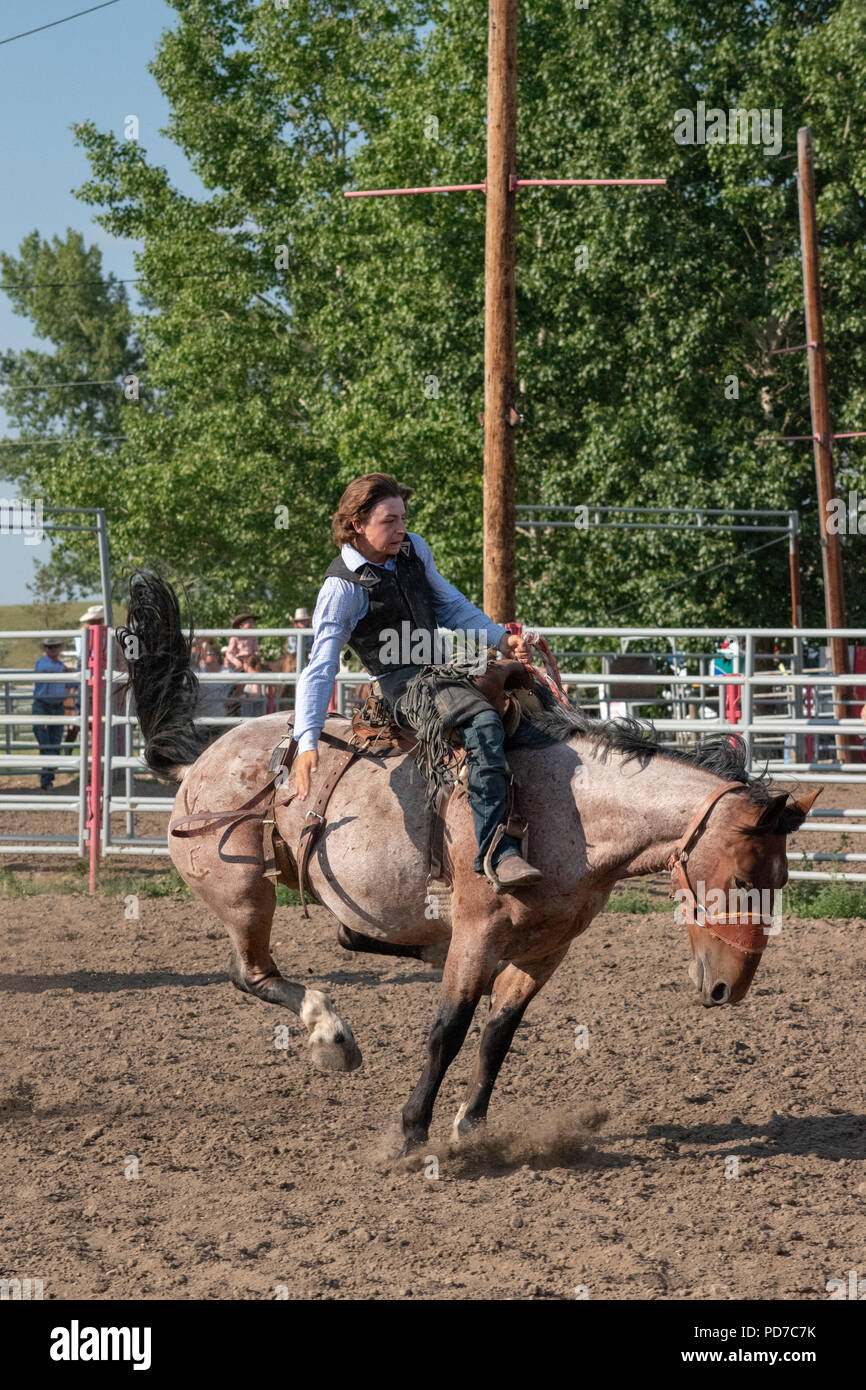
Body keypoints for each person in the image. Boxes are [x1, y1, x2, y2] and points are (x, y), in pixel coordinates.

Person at [293, 472, 543, 890]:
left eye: (403, 518)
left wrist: (501, 638)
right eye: (389, 520)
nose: (401, 529)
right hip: (399, 684)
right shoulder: (342, 587)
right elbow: (320, 666)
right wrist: (307, 740)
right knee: (482, 723)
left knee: (534, 703)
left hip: (442, 671)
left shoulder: (413, 549)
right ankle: (497, 852)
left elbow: (450, 606)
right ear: (357, 523)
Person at [32, 639, 76, 790]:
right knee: (46, 743)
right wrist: (67, 673)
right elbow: (46, 672)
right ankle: (48, 777)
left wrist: (72, 675)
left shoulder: (61, 667)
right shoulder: (42, 663)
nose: (53, 649)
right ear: (45, 649)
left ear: (58, 649)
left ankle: (47, 779)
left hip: (57, 707)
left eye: (55, 646)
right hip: (42, 705)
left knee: (54, 743)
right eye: (50, 647)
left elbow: (72, 684)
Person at [196, 642, 234, 736]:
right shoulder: (198, 672)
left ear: (216, 657)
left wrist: (230, 701)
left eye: (208, 654)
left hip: (219, 715)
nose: (204, 656)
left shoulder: (226, 672)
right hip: (202, 716)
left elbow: (239, 685)